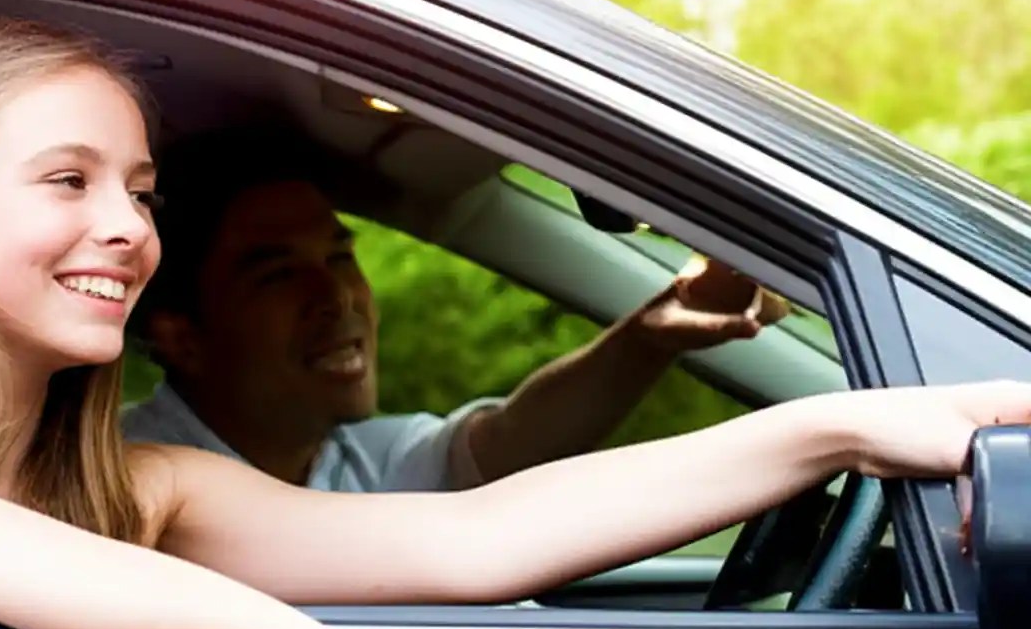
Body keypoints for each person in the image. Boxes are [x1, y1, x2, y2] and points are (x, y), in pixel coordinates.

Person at [0, 15, 1026, 629]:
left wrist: (831, 425)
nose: (128, 230)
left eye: (139, 192)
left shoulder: (138, 490)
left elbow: (475, 538)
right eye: (67, 181)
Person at [123, 129, 791, 490]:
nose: (335, 296)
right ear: (180, 335)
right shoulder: (119, 475)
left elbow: (507, 440)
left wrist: (649, 337)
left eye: (338, 257)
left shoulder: (358, 459)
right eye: (276, 275)